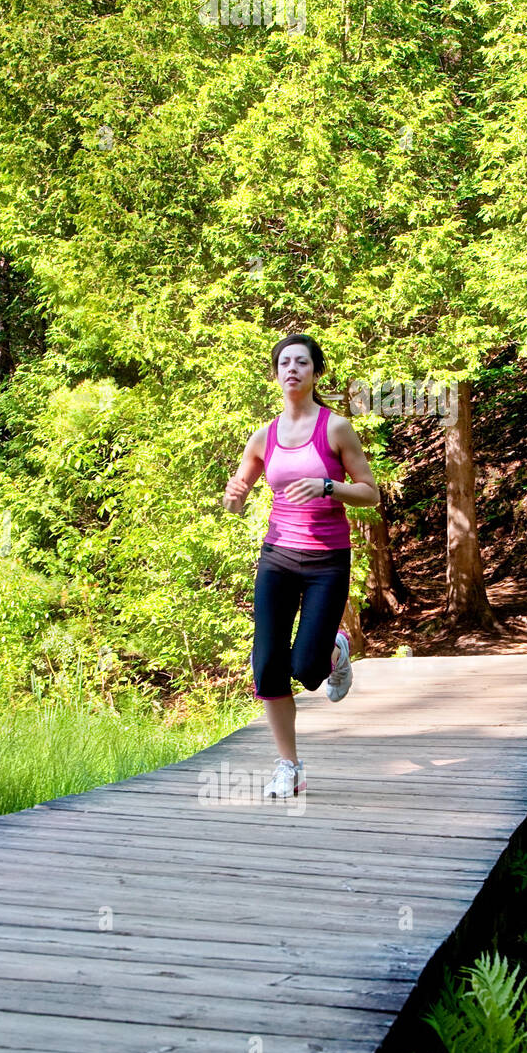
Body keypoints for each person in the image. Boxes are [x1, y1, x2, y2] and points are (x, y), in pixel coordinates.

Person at [222, 333, 380, 800]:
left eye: (302, 362)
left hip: (327, 560)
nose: (292, 369)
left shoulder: (335, 429)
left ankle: (335, 649)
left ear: (316, 373)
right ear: (275, 375)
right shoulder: (263, 436)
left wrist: (328, 487)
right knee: (267, 665)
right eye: (284, 363)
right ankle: (288, 766)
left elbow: (370, 492)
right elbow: (238, 494)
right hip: (278, 557)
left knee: (307, 670)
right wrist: (233, 498)